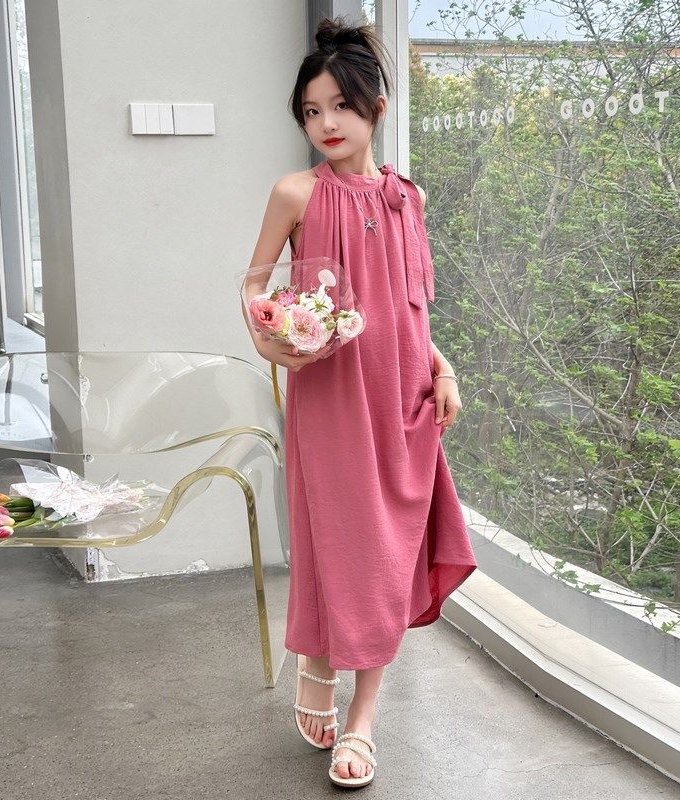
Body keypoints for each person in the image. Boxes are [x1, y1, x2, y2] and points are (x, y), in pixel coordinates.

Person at [241, 15, 478, 789]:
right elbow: (255, 282)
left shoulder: (409, 197)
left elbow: (411, 308)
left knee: (385, 556)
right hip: (332, 396)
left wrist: (443, 369)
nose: (327, 123)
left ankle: (363, 717)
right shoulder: (296, 193)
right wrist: (266, 338)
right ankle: (317, 659)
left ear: (376, 106)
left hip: (403, 397)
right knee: (336, 539)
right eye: (312, 111)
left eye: (340, 105)